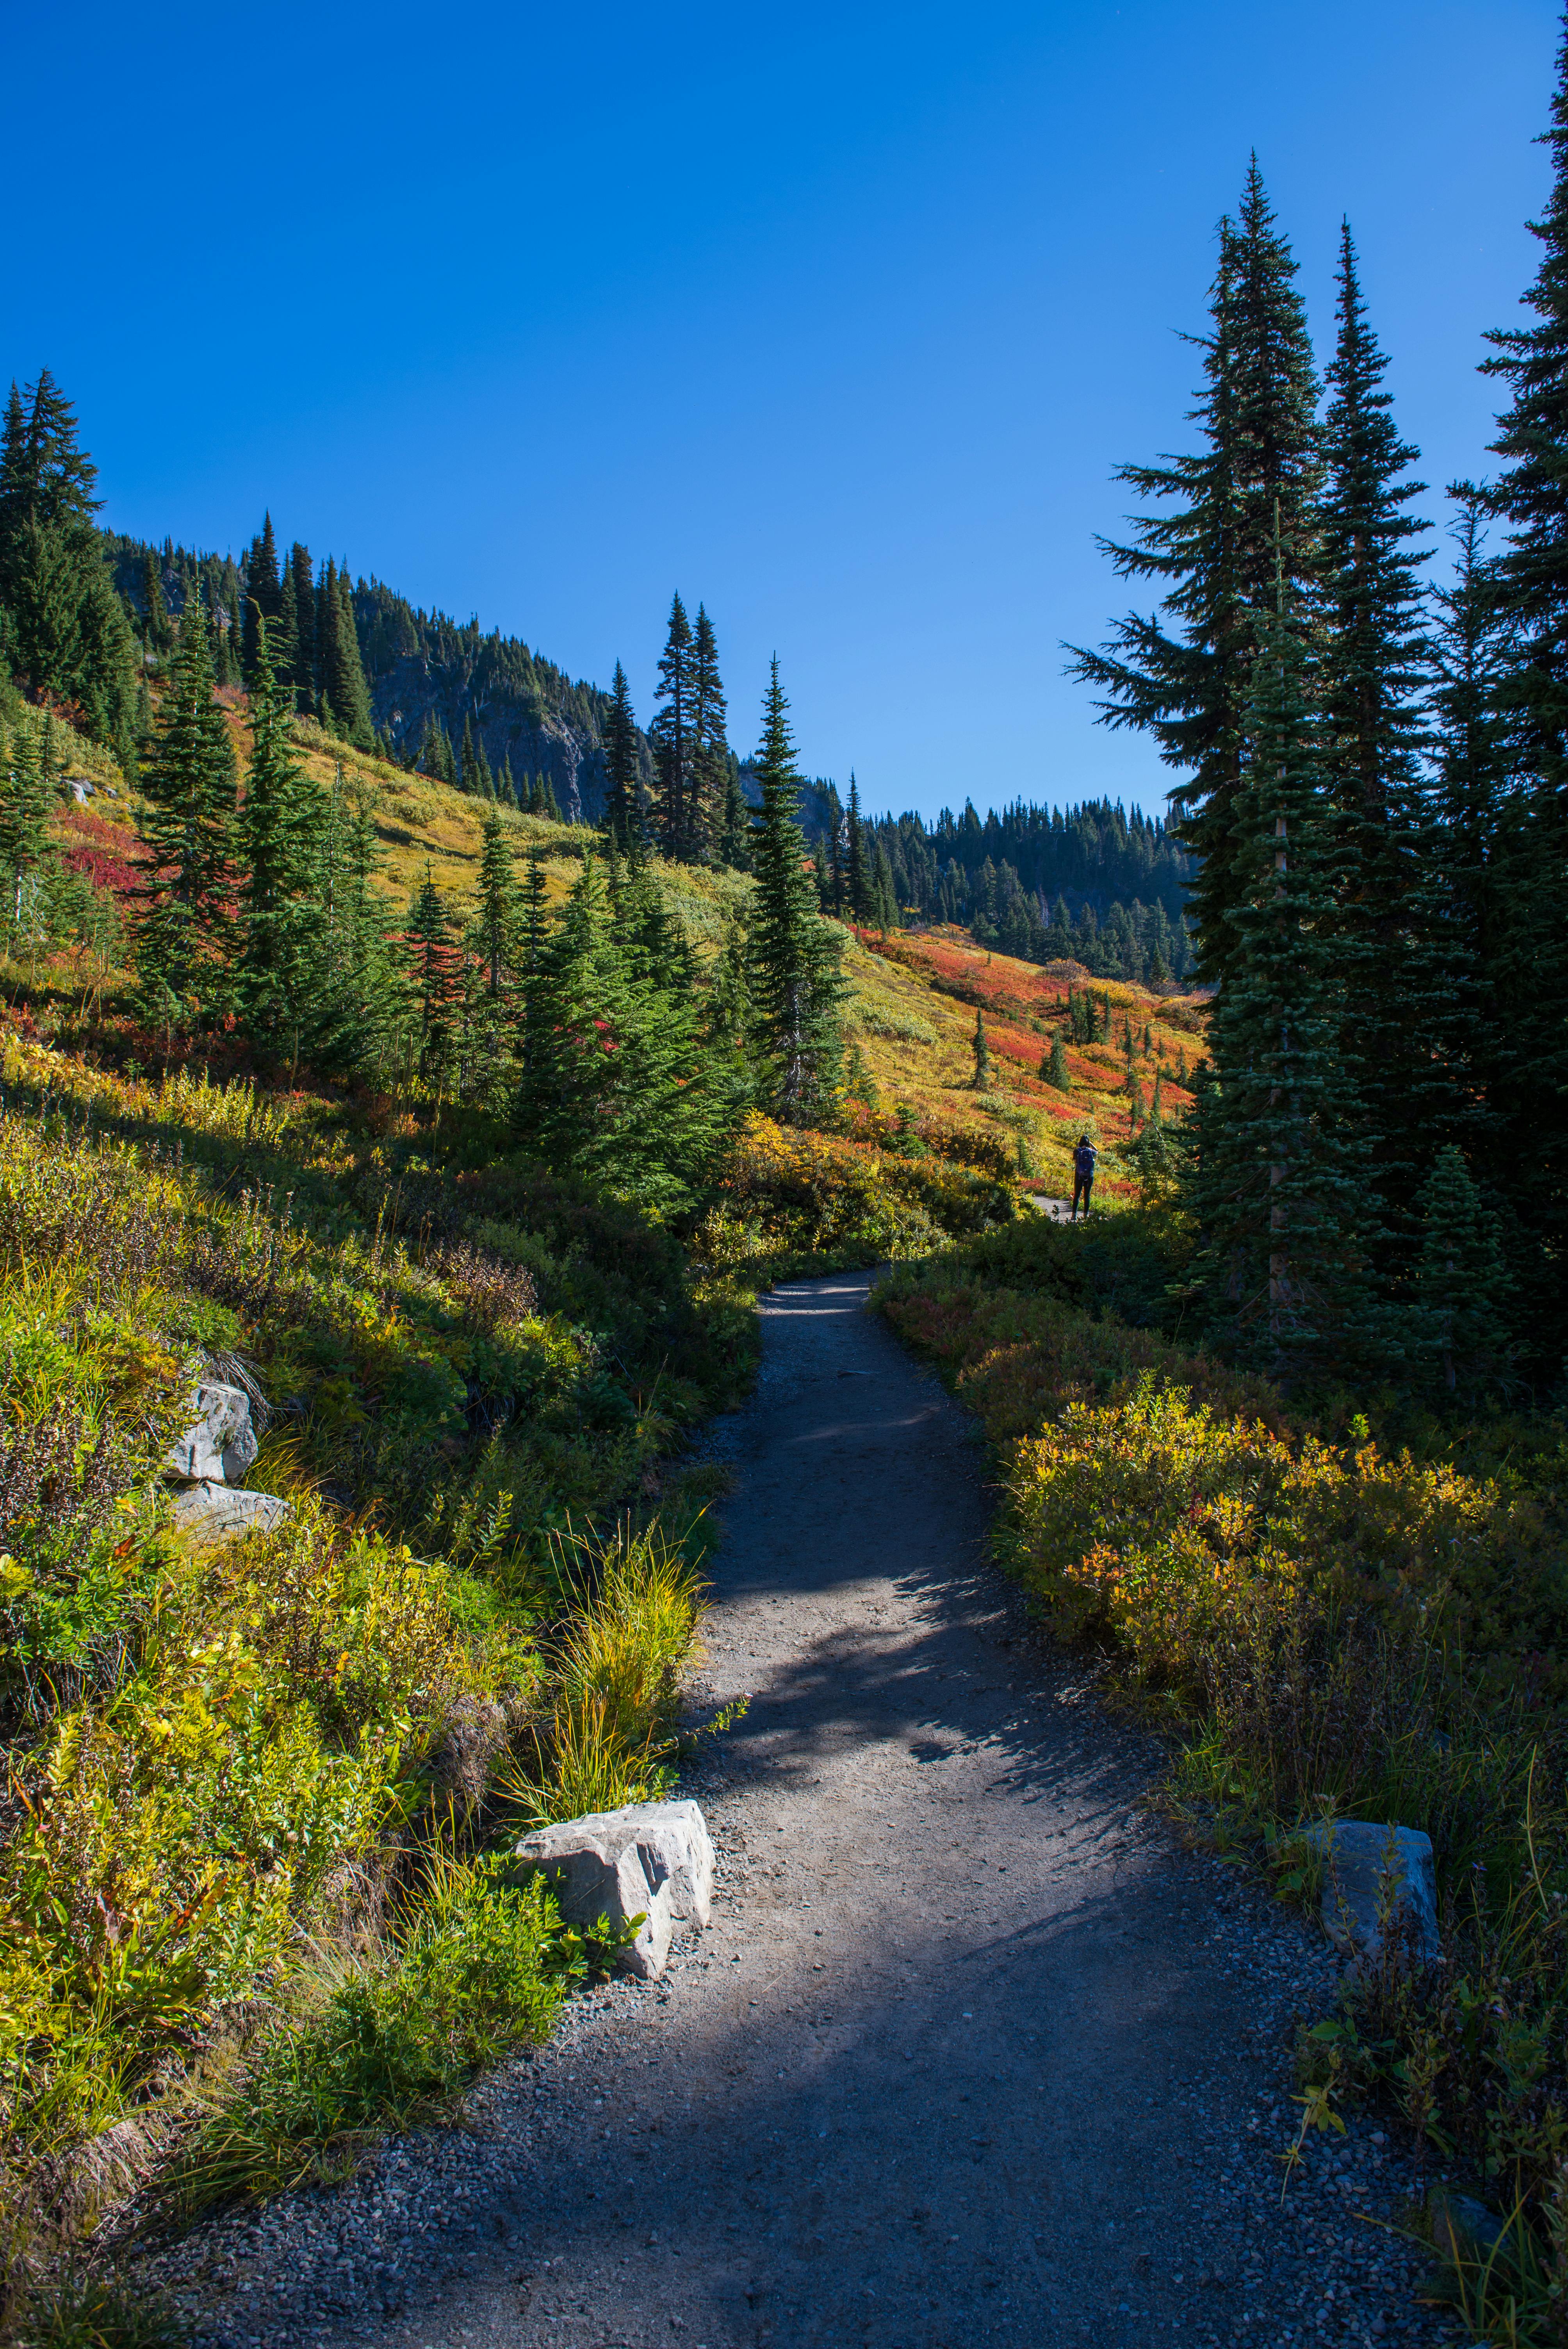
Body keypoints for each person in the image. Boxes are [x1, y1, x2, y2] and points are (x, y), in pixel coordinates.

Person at [1071, 1133, 1097, 1220]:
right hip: (1089, 1176)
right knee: (1087, 1195)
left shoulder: (1077, 1151)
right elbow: (1097, 1151)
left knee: (1077, 1195)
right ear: (1088, 1143)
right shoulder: (1091, 1151)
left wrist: (1079, 1147)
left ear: (1080, 1143)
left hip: (1079, 1175)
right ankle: (1085, 1216)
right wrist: (1091, 1145)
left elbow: (1075, 1161)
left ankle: (1074, 1216)